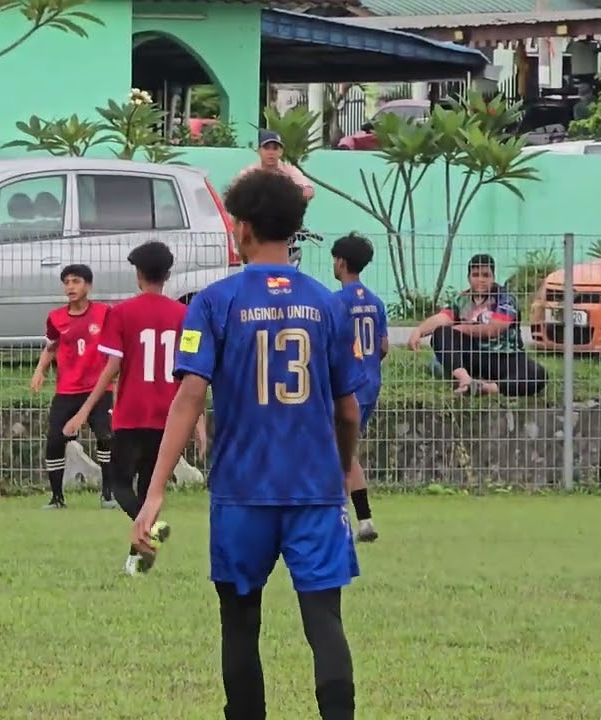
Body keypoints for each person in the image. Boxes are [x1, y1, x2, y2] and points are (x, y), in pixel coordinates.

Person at [133, 170, 364, 720]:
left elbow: (189, 397)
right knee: (324, 621)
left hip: (241, 491)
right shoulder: (327, 304)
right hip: (313, 492)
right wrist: (339, 465)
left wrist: (156, 491)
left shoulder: (216, 302)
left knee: (239, 622)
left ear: (243, 228)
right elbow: (348, 410)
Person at [63, 241, 206, 575]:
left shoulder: (121, 313)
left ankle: (150, 530)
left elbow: (112, 368)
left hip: (131, 415)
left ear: (138, 275)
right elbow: (193, 374)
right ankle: (136, 560)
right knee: (150, 487)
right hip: (170, 417)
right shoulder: (185, 316)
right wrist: (198, 422)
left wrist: (83, 411)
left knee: (119, 485)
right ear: (167, 276)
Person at [31, 264, 116, 510]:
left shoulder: (104, 313)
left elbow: (117, 347)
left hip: (99, 388)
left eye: (76, 281)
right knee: (55, 441)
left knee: (106, 437)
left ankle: (108, 494)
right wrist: (39, 370)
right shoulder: (56, 318)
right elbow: (51, 347)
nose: (70, 287)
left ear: (88, 286)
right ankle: (57, 498)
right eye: (66, 282)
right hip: (67, 390)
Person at [407, 254, 546, 397]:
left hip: (505, 357)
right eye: (475, 275)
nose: (481, 279)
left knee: (537, 374)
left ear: (493, 277)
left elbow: (493, 330)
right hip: (473, 355)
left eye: (486, 275)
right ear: (468, 278)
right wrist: (419, 331)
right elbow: (443, 317)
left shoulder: (505, 299)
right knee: (441, 333)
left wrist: (459, 328)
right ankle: (464, 379)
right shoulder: (462, 299)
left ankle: (486, 388)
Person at [331, 234, 388, 543]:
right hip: (370, 385)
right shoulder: (376, 302)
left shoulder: (336, 301)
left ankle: (338, 520)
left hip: (345, 386)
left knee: (334, 453)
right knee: (346, 450)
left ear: (340, 262)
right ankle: (364, 521)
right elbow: (383, 346)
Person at [239, 130, 315, 202]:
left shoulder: (290, 171)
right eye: (266, 148)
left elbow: (308, 190)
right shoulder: (250, 172)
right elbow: (235, 191)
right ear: (259, 151)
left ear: (281, 152)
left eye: (275, 148)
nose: (271, 153)